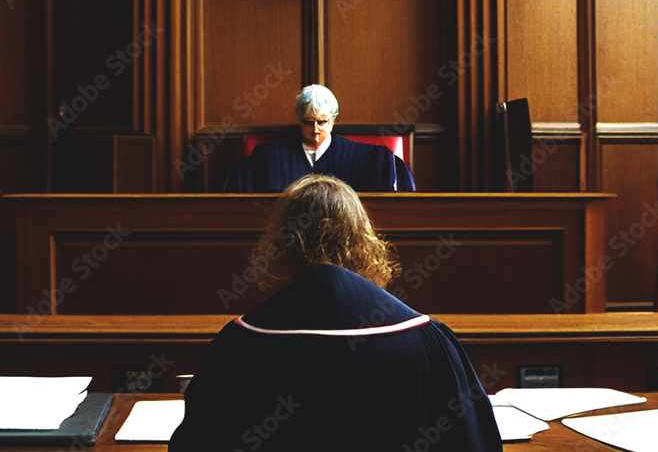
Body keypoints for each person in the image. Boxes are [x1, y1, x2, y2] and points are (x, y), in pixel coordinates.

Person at [168, 175, 502, 452]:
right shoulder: (428, 340)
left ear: (280, 246)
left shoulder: (238, 342)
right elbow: (474, 443)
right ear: (363, 241)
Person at [223, 84, 416, 193]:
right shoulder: (267, 157)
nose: (315, 130)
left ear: (333, 120)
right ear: (299, 120)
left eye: (322, 122)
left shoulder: (372, 159)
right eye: (308, 122)